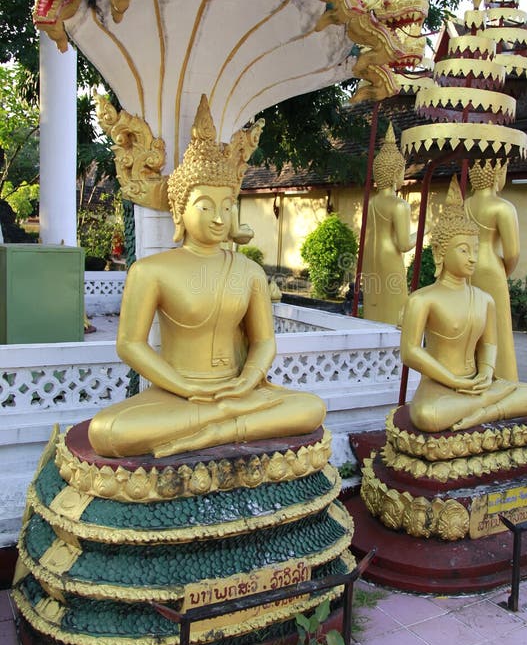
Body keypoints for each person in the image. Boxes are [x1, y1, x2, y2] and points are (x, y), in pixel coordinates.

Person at [88, 96, 326, 458]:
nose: (219, 217)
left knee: (311, 408)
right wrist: (184, 387)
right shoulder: (151, 270)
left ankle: (219, 428)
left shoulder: (248, 271)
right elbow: (130, 345)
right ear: (180, 211)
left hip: (239, 393)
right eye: (206, 206)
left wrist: (247, 380)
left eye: (227, 206)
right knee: (107, 432)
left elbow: (264, 342)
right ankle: (226, 422)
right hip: (179, 395)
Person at [400, 177, 527, 433]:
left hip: (477, 383)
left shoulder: (484, 299)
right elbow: (410, 351)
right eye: (464, 250)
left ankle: (482, 410)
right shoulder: (422, 299)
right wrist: (453, 380)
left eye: (476, 250)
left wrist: (487, 373)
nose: (473, 258)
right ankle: (489, 405)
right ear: (440, 252)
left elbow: (489, 343)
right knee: (427, 416)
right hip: (440, 386)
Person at [465, 159, 519, 380]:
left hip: (467, 267)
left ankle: (471, 372)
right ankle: (502, 376)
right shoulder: (502, 207)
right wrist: (503, 272)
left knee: (473, 323)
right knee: (498, 327)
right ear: (498, 172)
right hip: (492, 267)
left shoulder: (465, 204)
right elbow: (513, 253)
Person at [363, 125, 417, 326]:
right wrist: (422, 232)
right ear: (395, 173)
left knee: (373, 307)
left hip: (371, 257)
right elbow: (403, 245)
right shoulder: (399, 205)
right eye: (402, 171)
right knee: (395, 312)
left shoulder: (371, 202)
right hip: (390, 259)